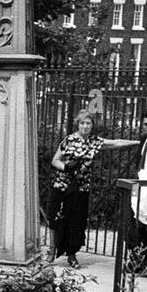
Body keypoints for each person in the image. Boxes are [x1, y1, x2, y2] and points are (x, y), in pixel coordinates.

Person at [47, 110, 140, 267]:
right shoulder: (69, 140)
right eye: (82, 123)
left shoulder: (94, 142)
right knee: (55, 219)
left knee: (76, 222)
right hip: (62, 186)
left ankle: (71, 255)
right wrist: (66, 167)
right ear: (78, 124)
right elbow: (55, 160)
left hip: (80, 189)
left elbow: (116, 142)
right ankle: (51, 253)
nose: (85, 126)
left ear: (92, 125)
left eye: (88, 123)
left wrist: (140, 142)